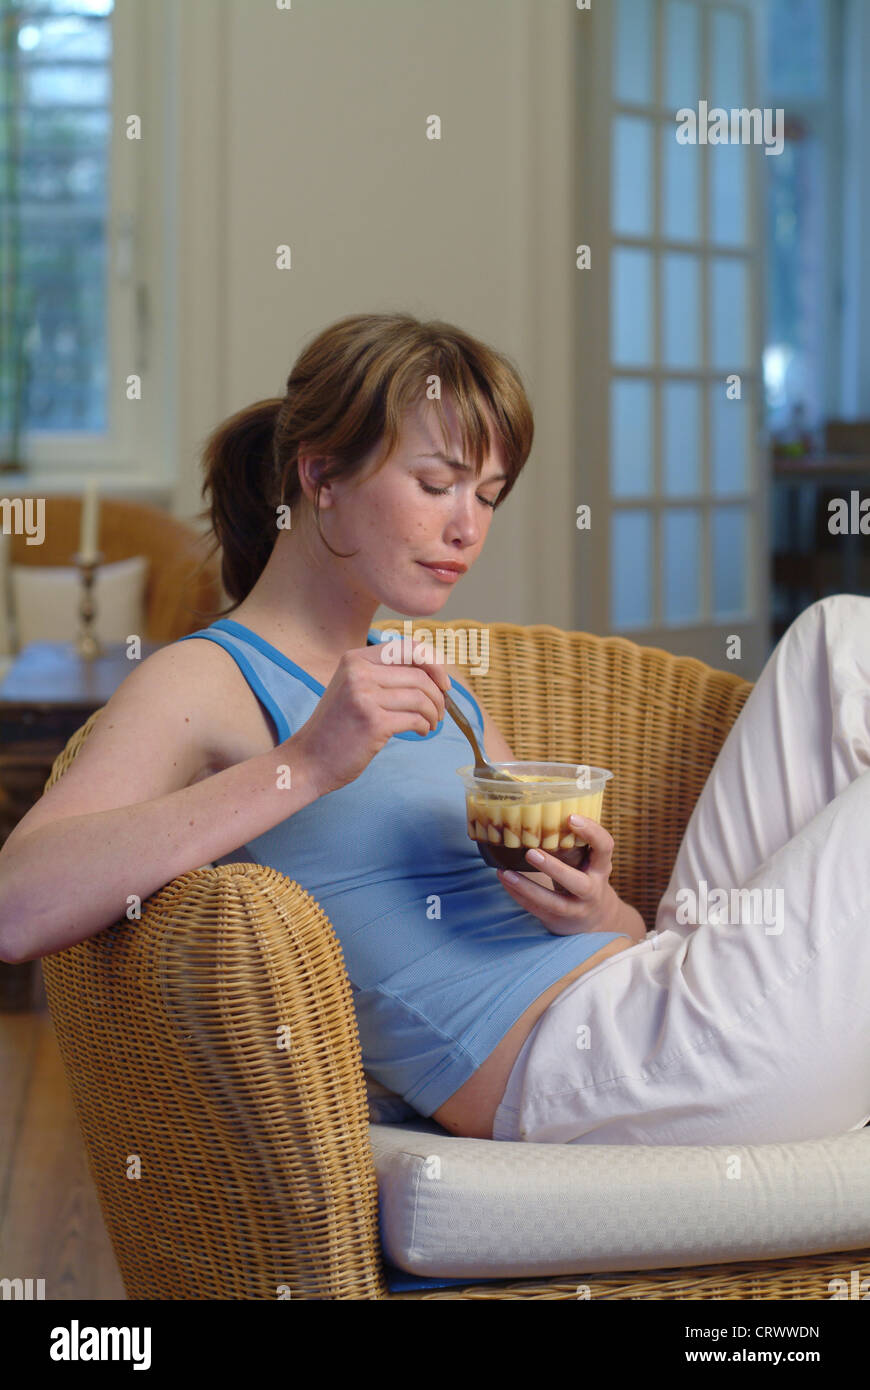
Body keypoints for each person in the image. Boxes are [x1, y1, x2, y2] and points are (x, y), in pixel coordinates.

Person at [0, 312, 866, 1148]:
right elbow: (17, 905)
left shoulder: (426, 684)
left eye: (488, 497)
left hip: (655, 990)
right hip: (593, 1071)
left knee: (838, 639)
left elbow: (608, 939)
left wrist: (597, 909)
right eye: (435, 484)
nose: (468, 529)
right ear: (322, 478)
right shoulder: (209, 678)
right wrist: (305, 765)